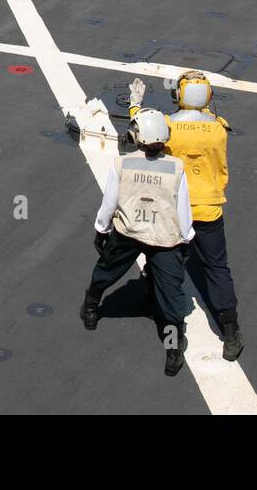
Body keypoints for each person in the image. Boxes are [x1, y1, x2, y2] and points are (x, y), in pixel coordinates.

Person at [129, 71, 243, 360]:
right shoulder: (219, 127)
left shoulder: (168, 127)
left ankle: (159, 311)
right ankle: (230, 332)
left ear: (178, 96)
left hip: (174, 211)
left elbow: (144, 129)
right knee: (217, 268)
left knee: (164, 264)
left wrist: (134, 104)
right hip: (209, 209)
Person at [80, 108, 195, 377]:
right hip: (165, 239)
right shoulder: (176, 167)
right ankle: (173, 349)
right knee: (171, 296)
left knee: (107, 270)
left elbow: (109, 202)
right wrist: (186, 239)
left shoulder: (123, 163)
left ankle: (91, 305)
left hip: (128, 232)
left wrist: (101, 230)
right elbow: (183, 209)